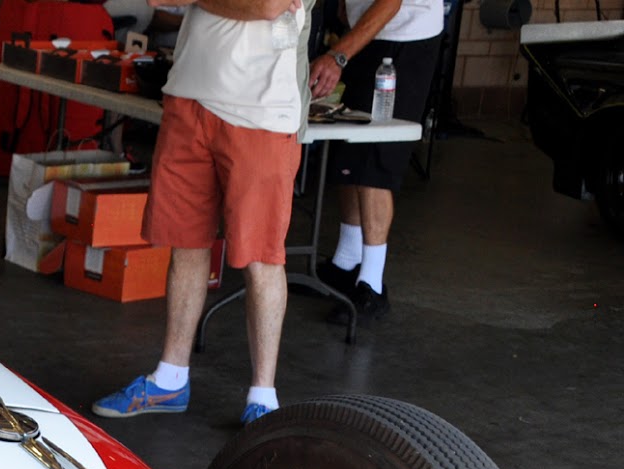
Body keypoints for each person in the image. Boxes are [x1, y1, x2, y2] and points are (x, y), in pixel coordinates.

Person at [92, 0, 310, 426]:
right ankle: (170, 378)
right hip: (188, 96)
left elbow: (268, 6)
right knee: (186, 244)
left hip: (262, 112)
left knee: (262, 256)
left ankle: (263, 397)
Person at [310, 0, 444, 322]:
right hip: (366, 31)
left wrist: (338, 55)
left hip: (406, 35)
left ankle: (372, 283)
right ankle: (346, 262)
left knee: (376, 158)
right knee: (349, 149)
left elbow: (391, 3)